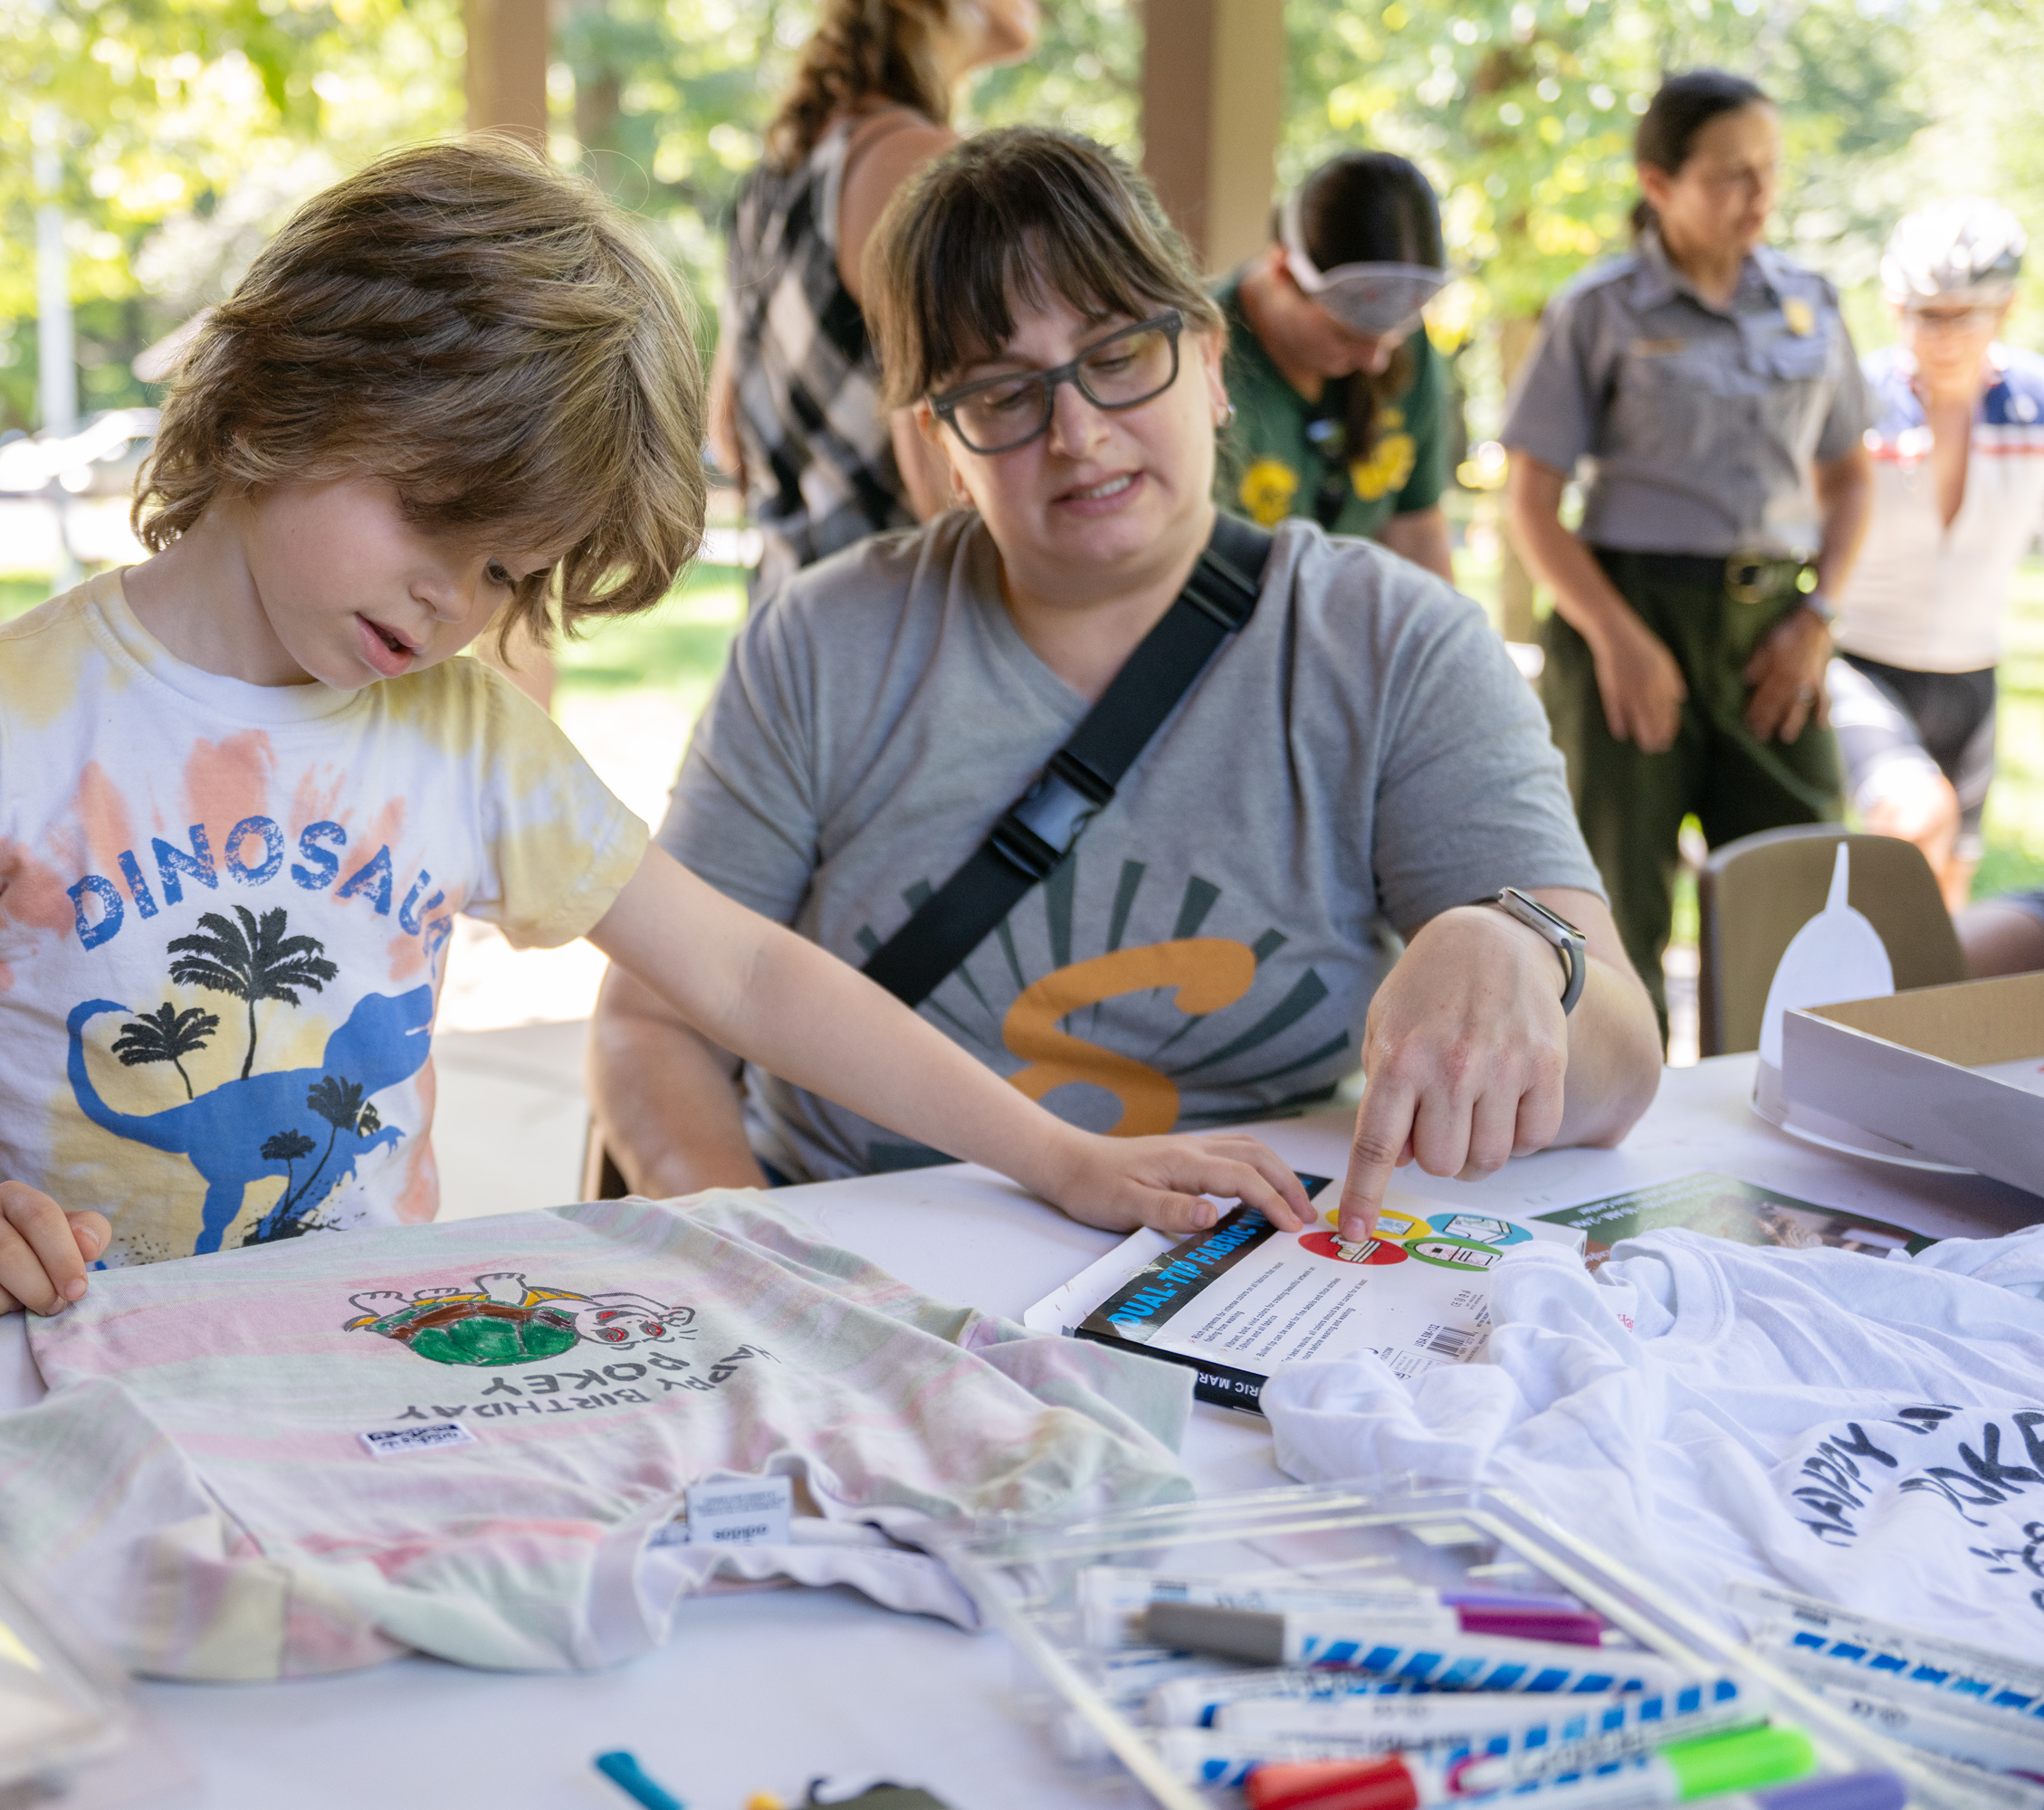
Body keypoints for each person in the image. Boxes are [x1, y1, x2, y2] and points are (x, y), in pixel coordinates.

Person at [0, 138, 1322, 1329]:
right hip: (63, 1355)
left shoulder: (461, 735)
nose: (457, 600)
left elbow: (746, 972)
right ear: (278, 388)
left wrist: (1059, 1160)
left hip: (368, 1356)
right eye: (438, 518)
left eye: (512, 570)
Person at [587, 129, 1661, 1246]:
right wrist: (766, 1267)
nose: (1078, 433)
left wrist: (1522, 957)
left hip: (1251, 1273)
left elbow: (1623, 1067)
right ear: (938, 442)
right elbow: (652, 1025)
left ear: (1207, 359)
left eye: (1117, 355)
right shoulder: (821, 643)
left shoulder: (1392, 643)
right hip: (868, 1264)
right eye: (1003, 393)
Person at [1502, 69, 1875, 1018]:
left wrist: (1818, 615)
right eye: (1728, 175)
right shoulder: (1599, 310)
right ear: (1658, 182)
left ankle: (1789, 1118)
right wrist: (1621, 641)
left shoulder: (1810, 302)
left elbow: (1849, 477)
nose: (1757, 196)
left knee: (1798, 888)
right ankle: (1623, 1131)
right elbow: (1534, 504)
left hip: (1775, 628)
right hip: (1629, 615)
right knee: (1611, 898)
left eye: (1767, 171)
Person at [713, 0, 1038, 598]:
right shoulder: (918, 163)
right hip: (901, 634)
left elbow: (726, 431)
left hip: (789, 625)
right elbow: (945, 479)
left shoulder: (772, 180)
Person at [1823, 201, 2043, 910]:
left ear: (2004, 309)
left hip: (1972, 676)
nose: (1941, 336)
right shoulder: (1856, 399)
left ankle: (1899, 1019)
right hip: (1862, 664)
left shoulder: (2034, 405)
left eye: (1963, 315)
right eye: (1924, 315)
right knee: (1916, 825)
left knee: (1946, 898)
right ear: (1894, 307)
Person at [1218, 151, 1457, 580]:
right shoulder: (1204, 358)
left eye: (1394, 334)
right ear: (1282, 272)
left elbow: (1417, 535)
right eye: (1348, 334)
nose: (1376, 360)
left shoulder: (1413, 351)